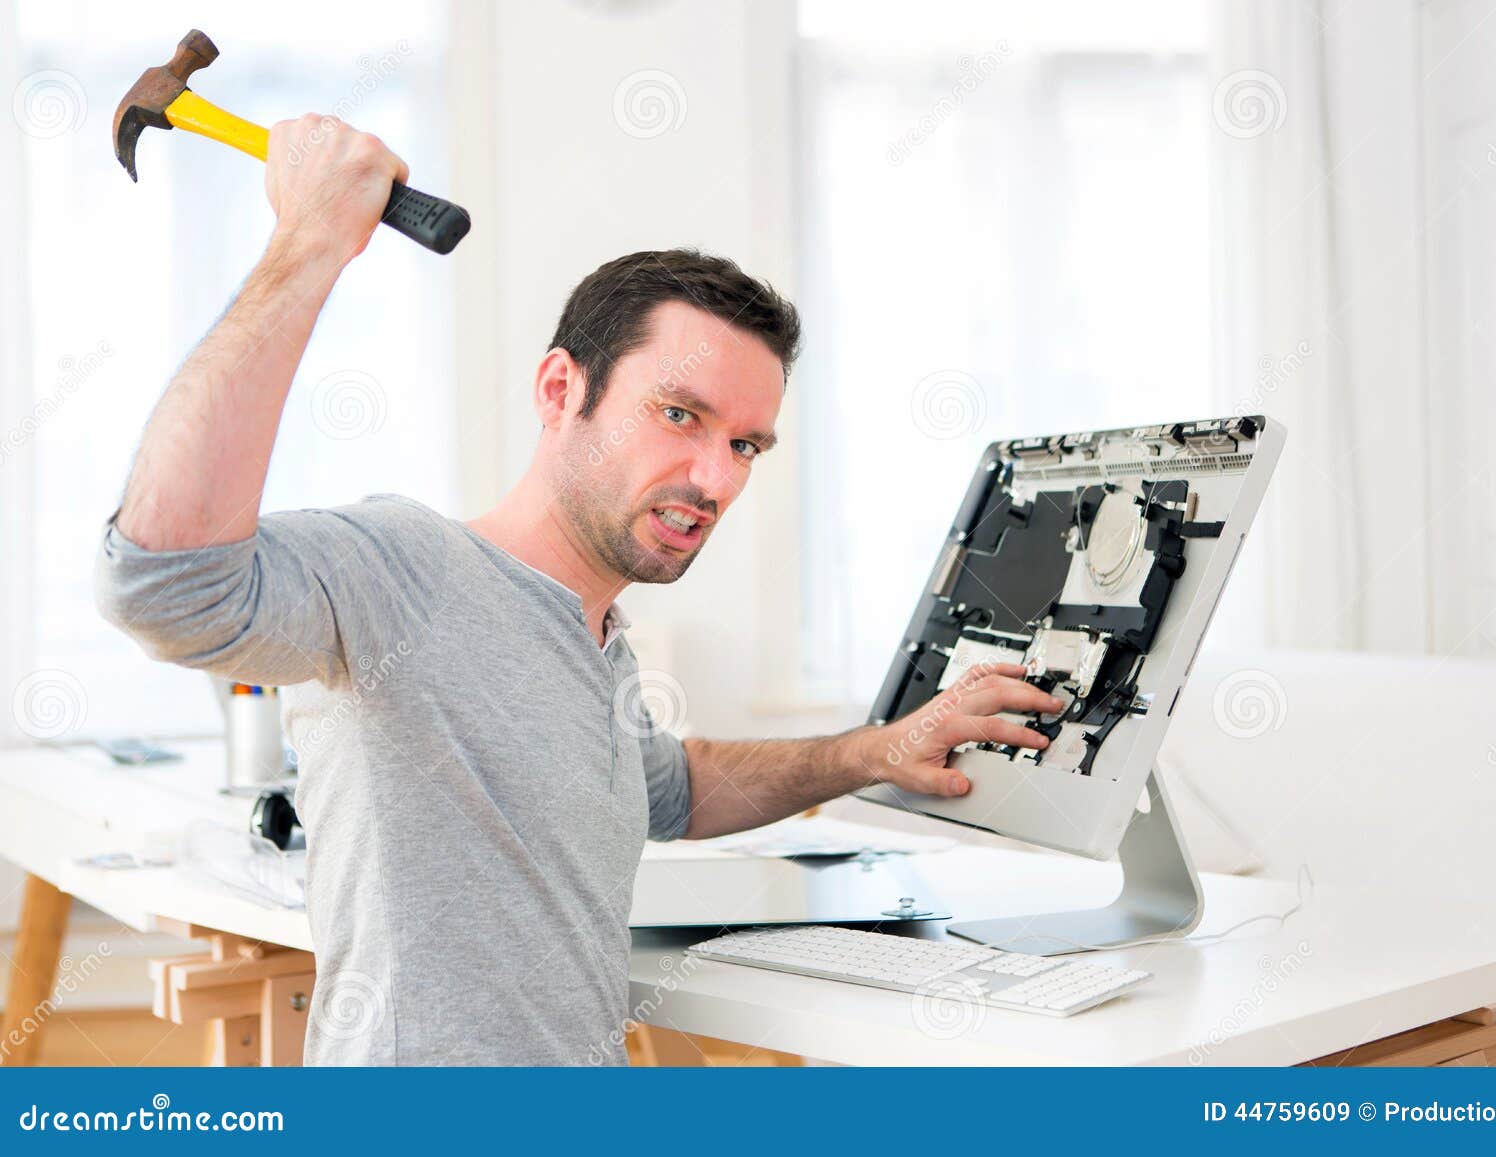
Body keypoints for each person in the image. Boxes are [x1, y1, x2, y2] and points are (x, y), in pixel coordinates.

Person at [94, 114, 1061, 1064]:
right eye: (678, 414)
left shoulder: (596, 638)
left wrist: (880, 748)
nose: (715, 478)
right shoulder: (407, 570)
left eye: (744, 445)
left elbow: (672, 789)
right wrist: (307, 243)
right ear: (561, 390)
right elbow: (162, 585)